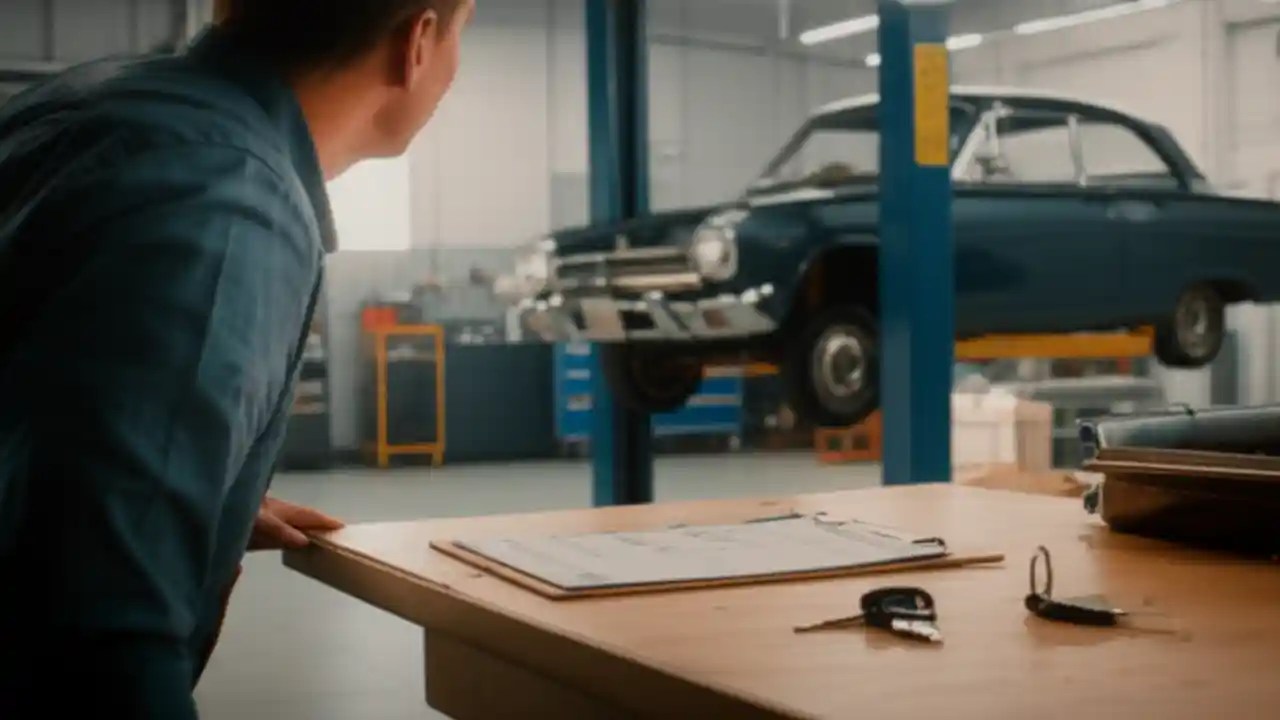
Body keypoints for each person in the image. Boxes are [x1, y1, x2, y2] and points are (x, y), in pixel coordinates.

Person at [0, 0, 474, 716]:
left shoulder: (89, 104)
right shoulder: (229, 196)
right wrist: (141, 501)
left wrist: (191, 477)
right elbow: (98, 633)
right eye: (462, 32)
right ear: (419, 42)